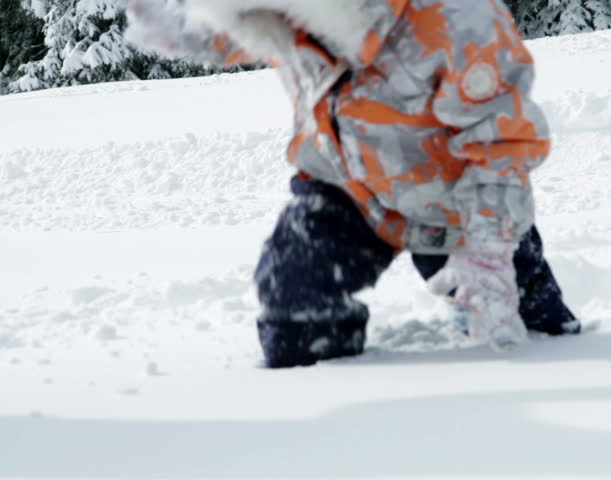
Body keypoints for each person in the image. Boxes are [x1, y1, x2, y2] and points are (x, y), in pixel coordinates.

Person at [126, 0, 581, 368]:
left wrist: (488, 252)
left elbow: (501, 142)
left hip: (456, 200)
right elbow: (235, 35)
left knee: (521, 326)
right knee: (293, 309)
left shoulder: (456, 18)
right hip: (346, 188)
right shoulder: (280, 18)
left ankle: (547, 337)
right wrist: (176, 27)